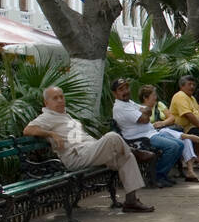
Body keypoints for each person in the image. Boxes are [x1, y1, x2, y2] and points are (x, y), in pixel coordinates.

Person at [24, 86, 153, 212]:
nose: (60, 100)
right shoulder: (47, 117)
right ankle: (134, 151)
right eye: (55, 98)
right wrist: (51, 134)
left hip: (89, 151)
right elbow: (28, 130)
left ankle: (131, 201)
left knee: (126, 157)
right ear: (46, 103)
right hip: (76, 157)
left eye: (61, 97)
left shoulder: (64, 115)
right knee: (112, 137)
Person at [110, 78, 199, 185]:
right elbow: (144, 119)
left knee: (180, 144)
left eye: (126, 87)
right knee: (173, 146)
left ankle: (162, 175)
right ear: (115, 93)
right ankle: (157, 176)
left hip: (151, 133)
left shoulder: (129, 103)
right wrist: (145, 113)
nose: (126, 91)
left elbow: (147, 110)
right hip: (140, 139)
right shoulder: (120, 107)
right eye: (121, 89)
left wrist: (145, 112)